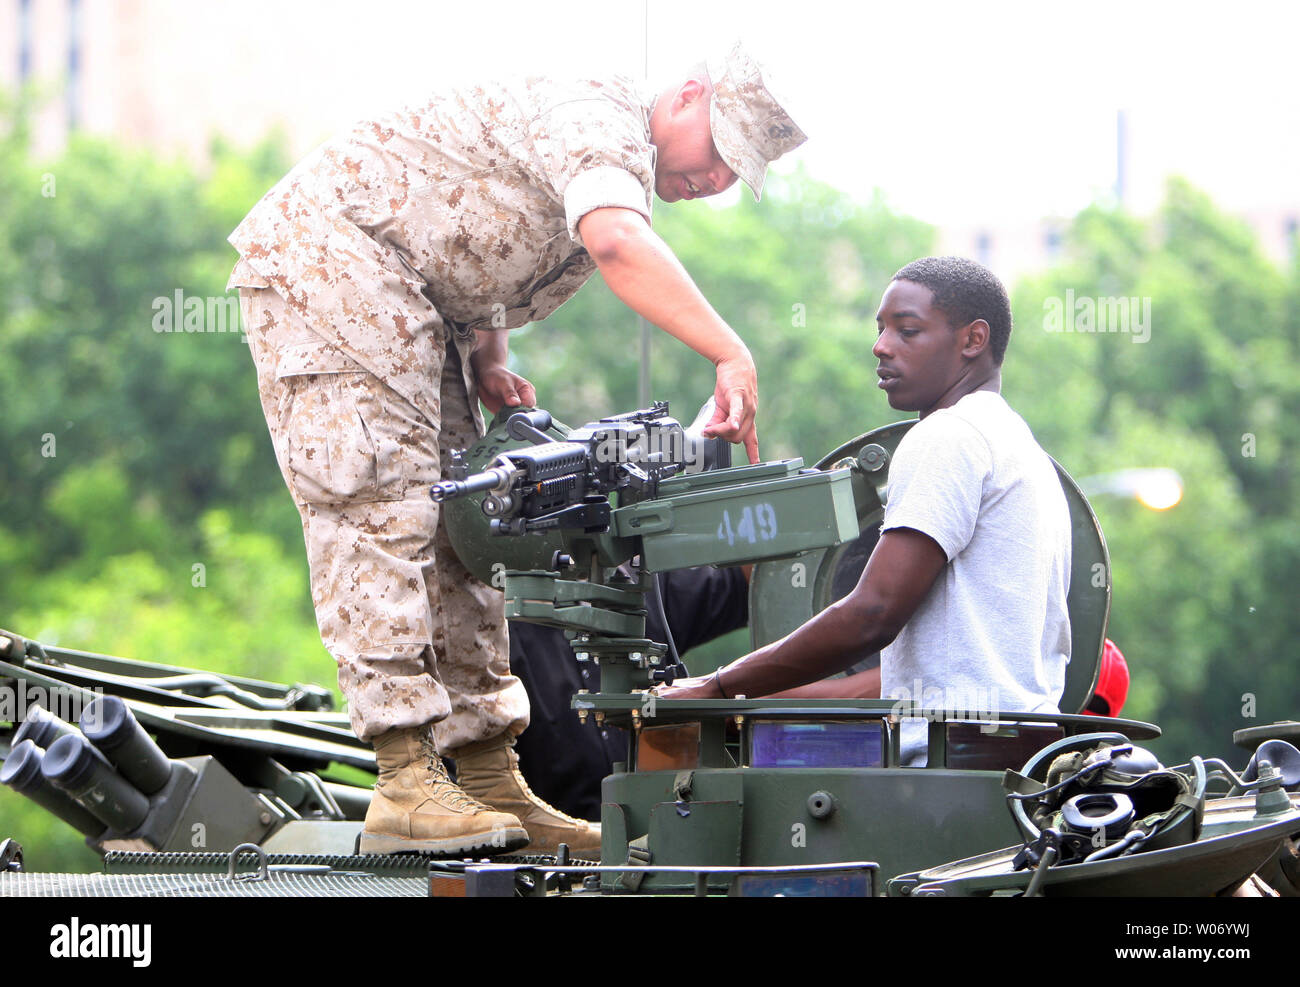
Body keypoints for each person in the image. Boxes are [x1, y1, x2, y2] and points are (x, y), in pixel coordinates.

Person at [227, 43, 805, 856]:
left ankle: (489, 770)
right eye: (720, 154)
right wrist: (729, 350)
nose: (717, 181)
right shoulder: (599, 118)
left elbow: (475, 236)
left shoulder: (614, 159)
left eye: (734, 173)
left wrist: (492, 356)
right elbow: (615, 244)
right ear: (686, 97)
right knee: (378, 506)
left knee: (474, 527)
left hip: (419, 305)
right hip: (336, 270)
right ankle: (403, 777)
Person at [656, 257, 1073, 764]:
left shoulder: (949, 436)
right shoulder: (1020, 445)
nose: (880, 346)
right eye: (880, 330)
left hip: (952, 766)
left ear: (973, 340)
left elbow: (873, 613)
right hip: (1018, 755)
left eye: (907, 330)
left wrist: (716, 689)